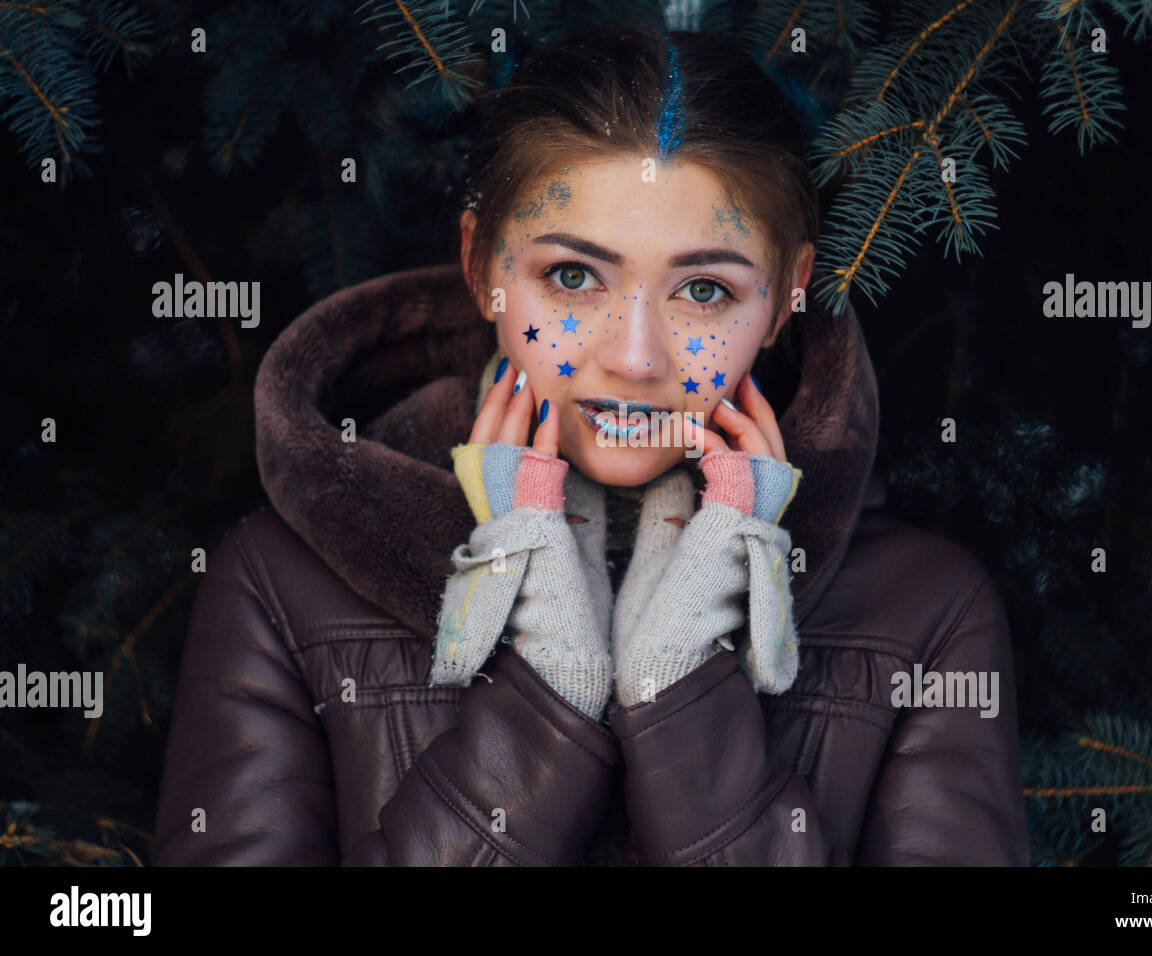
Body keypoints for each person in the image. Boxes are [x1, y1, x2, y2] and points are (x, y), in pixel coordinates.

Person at [153, 26, 1028, 866]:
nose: (636, 357)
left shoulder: (926, 613)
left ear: (790, 292)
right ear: (484, 267)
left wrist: (680, 685)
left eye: (705, 290)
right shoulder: (279, 583)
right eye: (573, 277)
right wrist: (548, 691)